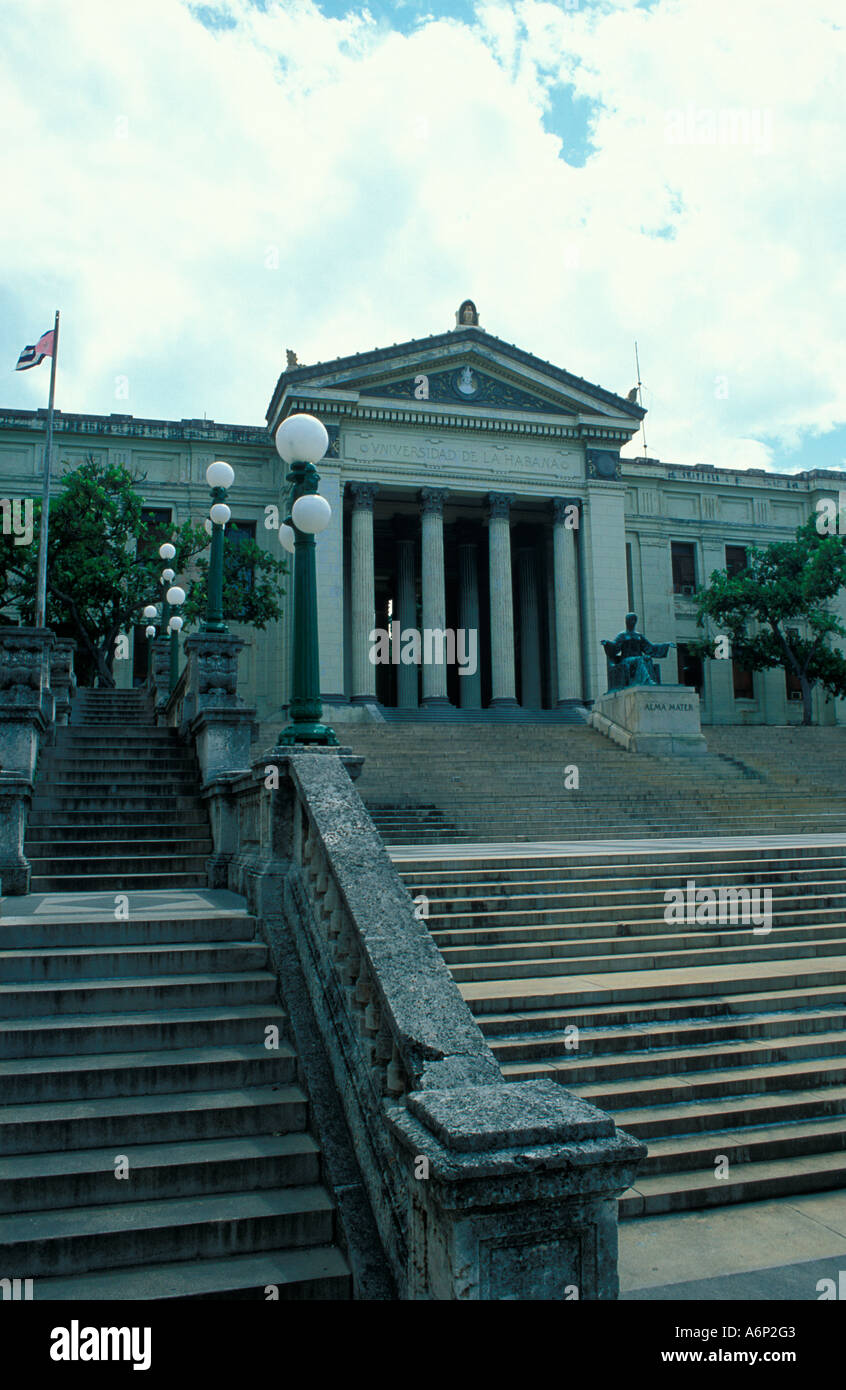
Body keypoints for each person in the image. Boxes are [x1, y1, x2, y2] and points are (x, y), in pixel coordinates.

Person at [601, 612, 674, 690]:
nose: (632, 622)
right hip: (626, 660)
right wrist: (607, 643)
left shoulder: (639, 635)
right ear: (626, 621)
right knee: (639, 659)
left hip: (639, 659)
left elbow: (650, 648)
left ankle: (649, 682)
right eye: (630, 620)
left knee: (647, 658)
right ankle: (647, 681)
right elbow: (615, 647)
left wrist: (666, 645)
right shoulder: (622, 635)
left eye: (633, 620)